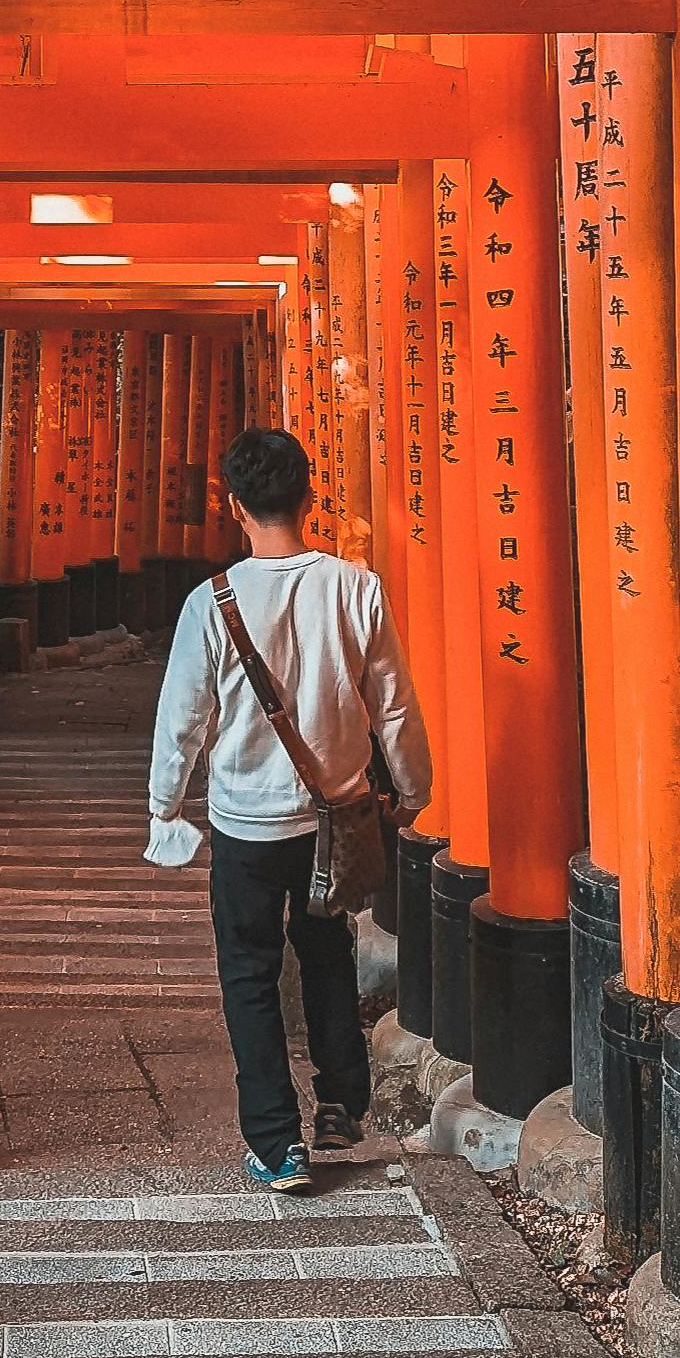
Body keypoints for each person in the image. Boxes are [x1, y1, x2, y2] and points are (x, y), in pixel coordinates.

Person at [145, 424, 433, 1194]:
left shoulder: (211, 603)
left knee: (248, 974)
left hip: (244, 823)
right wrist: (410, 790)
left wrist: (165, 810)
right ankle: (339, 1101)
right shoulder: (355, 587)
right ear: (310, 496)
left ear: (235, 506)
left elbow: (183, 718)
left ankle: (276, 1144)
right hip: (333, 819)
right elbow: (394, 709)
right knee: (328, 949)